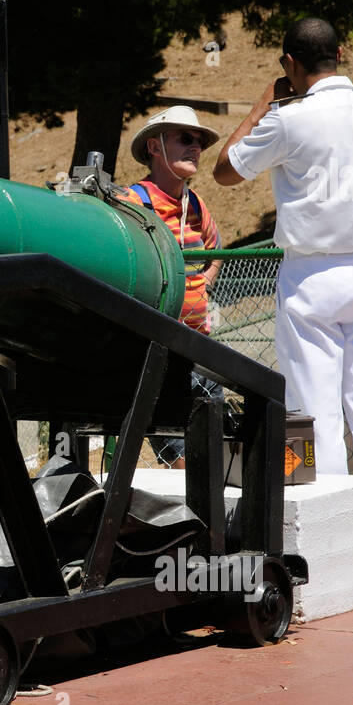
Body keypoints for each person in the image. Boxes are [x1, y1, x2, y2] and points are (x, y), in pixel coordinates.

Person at [213, 17, 353, 478]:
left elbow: (225, 170)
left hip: (311, 277)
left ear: (290, 63)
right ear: (340, 54)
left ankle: (328, 533)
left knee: (315, 413)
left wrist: (265, 103)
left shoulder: (288, 120)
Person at [114, 106, 223, 468]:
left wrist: (202, 281)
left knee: (213, 460)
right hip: (157, 356)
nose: (195, 147)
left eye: (199, 142)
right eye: (185, 139)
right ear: (154, 147)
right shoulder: (133, 204)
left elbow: (217, 249)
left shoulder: (195, 205)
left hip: (202, 352)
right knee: (182, 466)